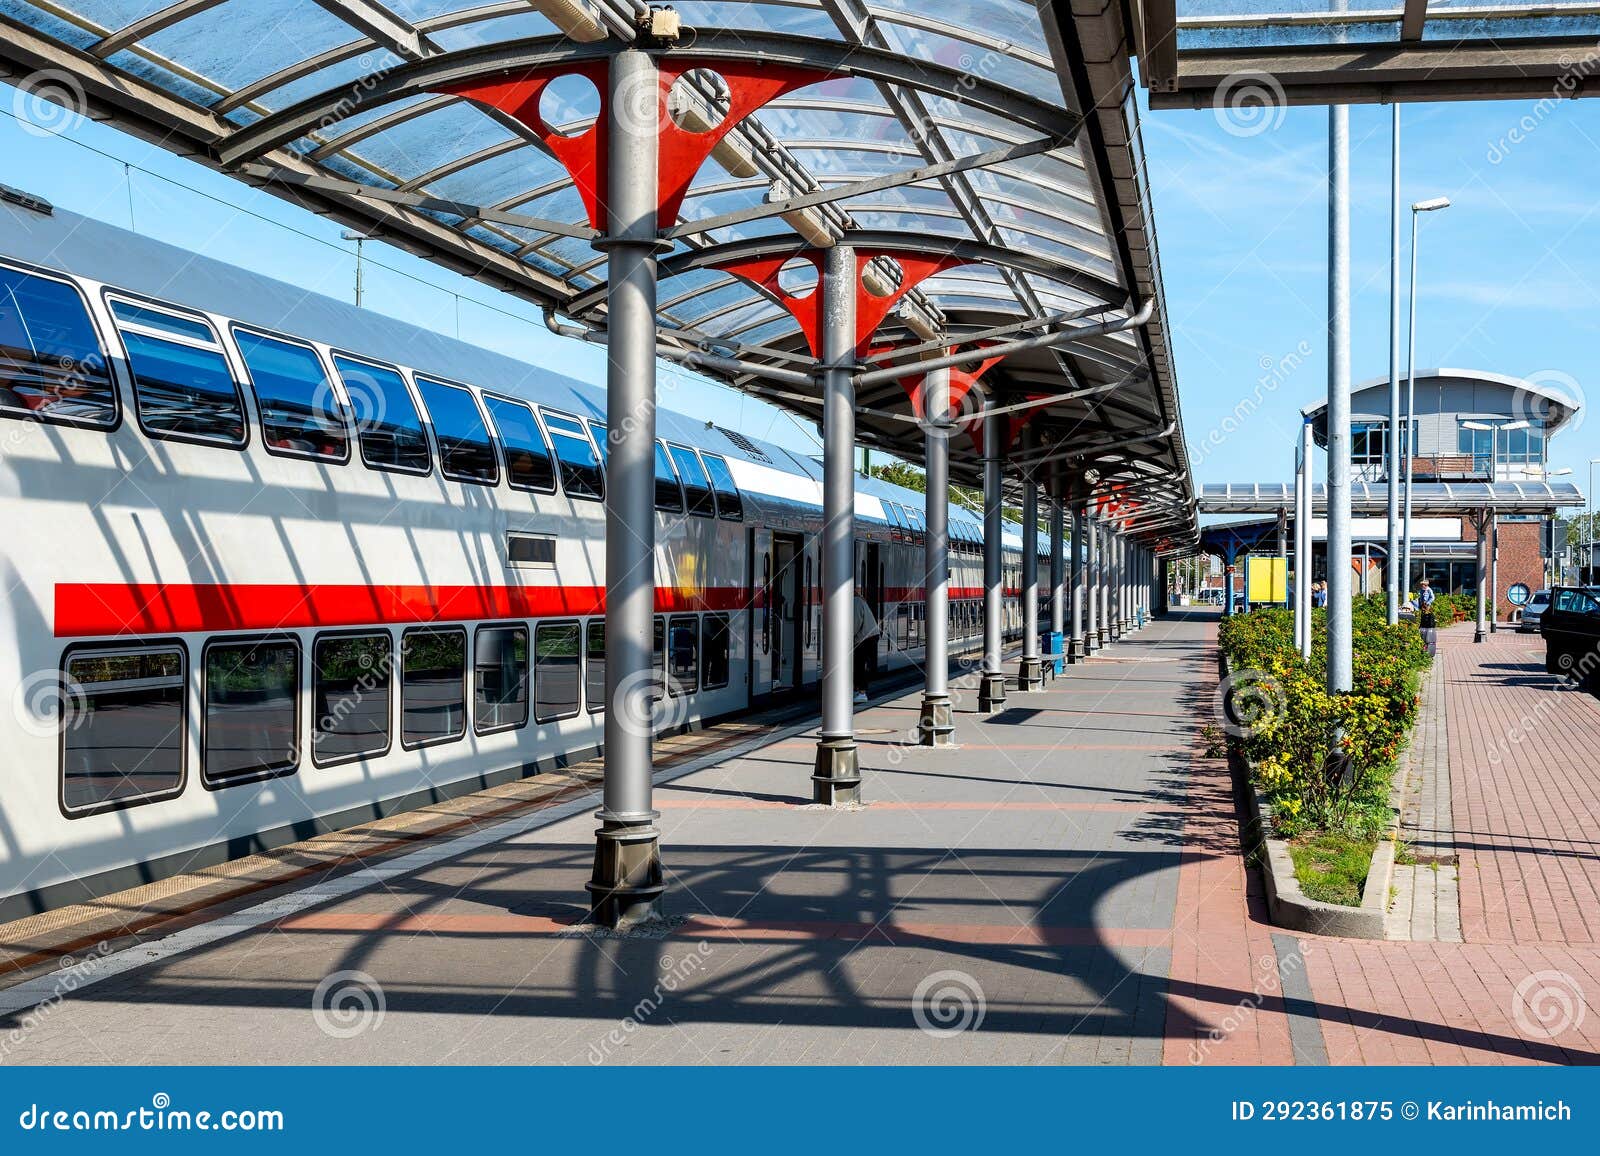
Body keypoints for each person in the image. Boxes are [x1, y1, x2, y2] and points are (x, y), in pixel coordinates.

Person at [852, 592, 881, 703]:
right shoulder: (859, 600)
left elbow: (855, 622)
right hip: (868, 636)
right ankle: (859, 690)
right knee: (859, 665)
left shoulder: (855, 601)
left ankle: (862, 693)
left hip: (865, 638)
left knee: (859, 665)